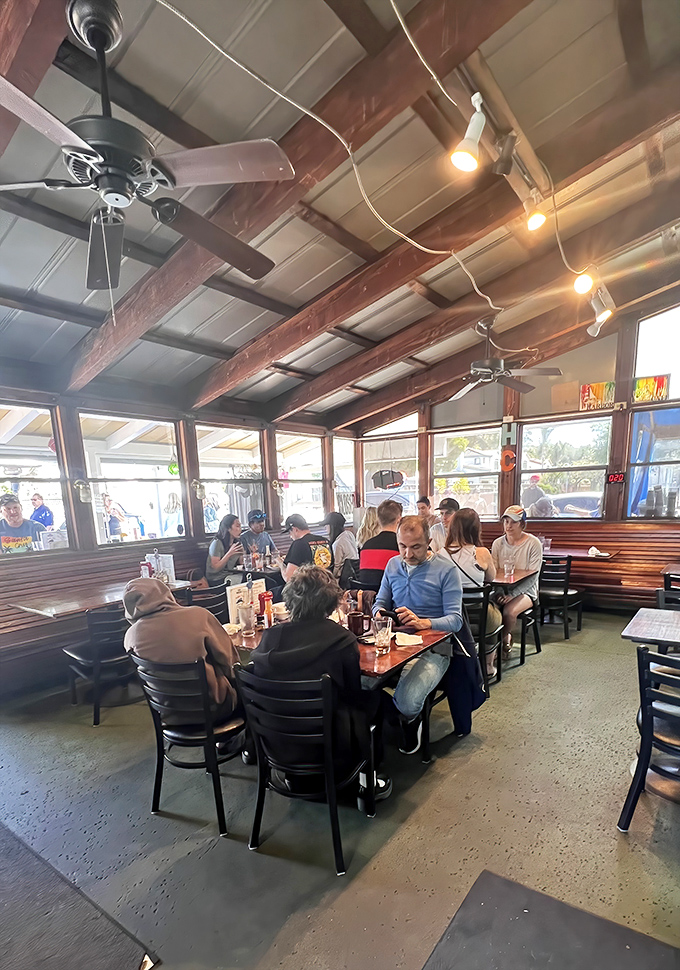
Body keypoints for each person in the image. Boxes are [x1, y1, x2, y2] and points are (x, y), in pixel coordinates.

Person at [251, 565, 390, 799]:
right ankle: (368, 780)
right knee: (376, 698)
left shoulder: (269, 638)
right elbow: (352, 694)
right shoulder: (341, 639)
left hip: (276, 742)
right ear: (330, 603)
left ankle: (297, 776)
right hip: (328, 743)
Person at [373, 515, 463, 754]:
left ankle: (409, 722)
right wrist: (379, 613)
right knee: (357, 683)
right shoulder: (393, 565)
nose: (407, 554)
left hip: (435, 648)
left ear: (429, 542)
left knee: (407, 701)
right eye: (402, 546)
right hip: (397, 643)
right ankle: (387, 725)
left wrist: (425, 622)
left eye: (416, 547)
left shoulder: (446, 570)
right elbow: (379, 601)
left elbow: (456, 620)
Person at [123, 578, 240, 725]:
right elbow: (230, 662)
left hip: (169, 714)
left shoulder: (130, 636)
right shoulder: (199, 616)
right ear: (166, 593)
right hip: (215, 709)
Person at [439, 508, 500, 676]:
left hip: (448, 614)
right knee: (496, 615)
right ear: (476, 529)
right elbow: (491, 577)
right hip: (478, 614)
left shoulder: (440, 554)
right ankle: (488, 664)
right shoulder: (481, 553)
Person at [491, 506, 543, 659]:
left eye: (513, 522)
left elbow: (533, 577)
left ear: (522, 524)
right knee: (488, 607)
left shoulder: (533, 543)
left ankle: (504, 638)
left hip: (527, 591)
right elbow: (493, 573)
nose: (508, 525)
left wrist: (513, 594)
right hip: (501, 589)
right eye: (506, 521)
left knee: (509, 611)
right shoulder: (497, 544)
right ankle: (491, 645)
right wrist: (500, 591)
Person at [358, 498, 401, 588]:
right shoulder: (401, 545)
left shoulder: (366, 546)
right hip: (390, 597)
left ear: (378, 519)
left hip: (367, 598)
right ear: (399, 520)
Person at [280, 514, 332, 582]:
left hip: (308, 590)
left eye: (289, 532)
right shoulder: (326, 541)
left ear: (295, 529)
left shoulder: (298, 544)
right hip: (328, 586)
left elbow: (289, 578)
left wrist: (280, 563)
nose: (290, 536)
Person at [206, 514, 244, 586]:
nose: (240, 529)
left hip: (231, 575)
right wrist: (229, 553)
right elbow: (215, 568)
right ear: (228, 528)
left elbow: (242, 563)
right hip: (216, 579)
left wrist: (247, 553)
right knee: (247, 581)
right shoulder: (216, 543)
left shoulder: (236, 542)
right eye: (237, 526)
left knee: (257, 579)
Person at [321, 511, 359, 580]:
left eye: (326, 525)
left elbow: (337, 567)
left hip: (343, 580)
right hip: (355, 575)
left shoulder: (338, 543)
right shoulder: (349, 534)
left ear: (332, 526)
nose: (325, 528)